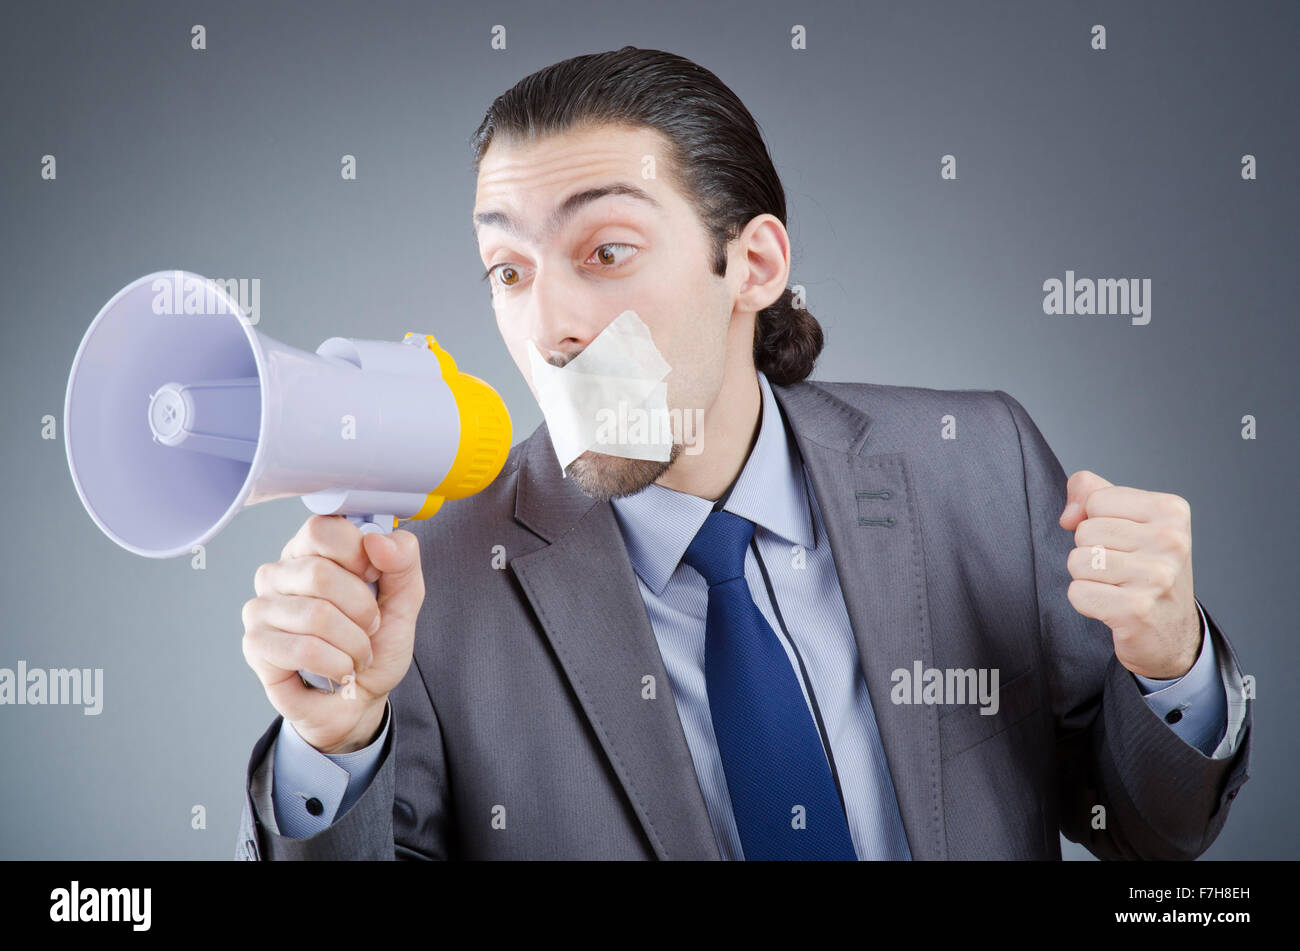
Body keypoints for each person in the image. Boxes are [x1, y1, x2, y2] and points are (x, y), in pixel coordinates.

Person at [236, 47, 1251, 860]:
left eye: (607, 252)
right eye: (507, 269)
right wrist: (332, 746)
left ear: (753, 264)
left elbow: (1154, 834)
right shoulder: (427, 585)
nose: (550, 327)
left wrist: (1170, 666)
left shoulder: (977, 467)